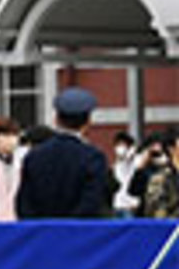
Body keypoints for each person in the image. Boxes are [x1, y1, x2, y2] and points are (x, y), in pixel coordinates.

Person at [16, 87, 110, 219]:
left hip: (42, 234)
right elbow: (92, 203)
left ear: (56, 119)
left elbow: (24, 204)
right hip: (80, 235)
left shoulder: (35, 156)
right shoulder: (93, 157)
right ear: (88, 122)